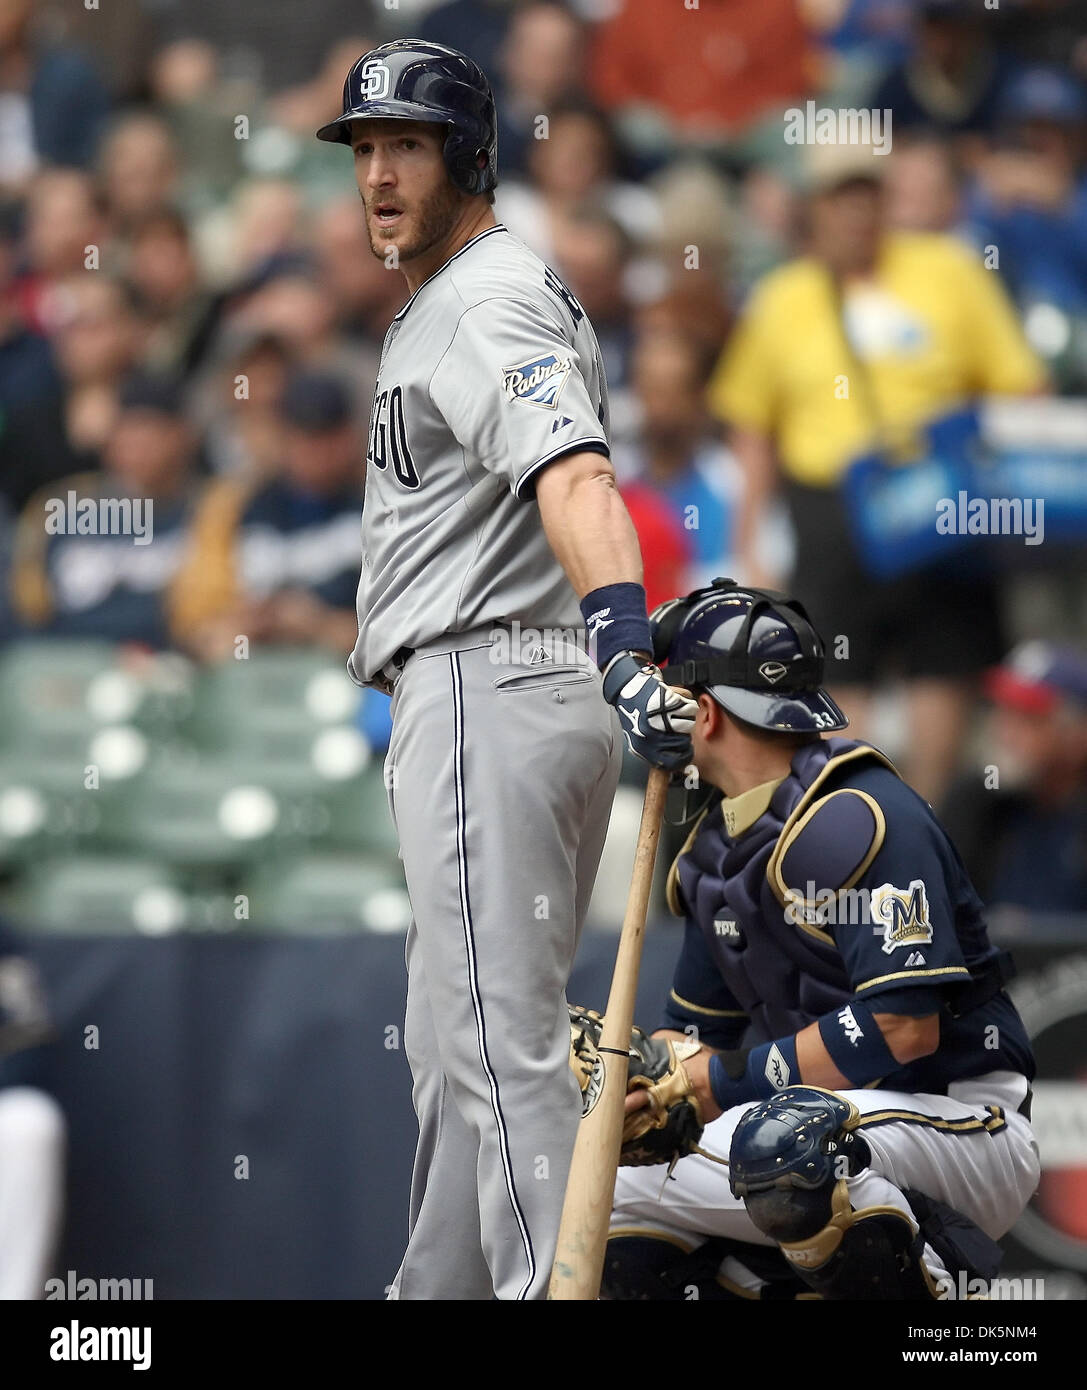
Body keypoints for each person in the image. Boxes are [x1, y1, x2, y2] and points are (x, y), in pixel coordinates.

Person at [315, 39, 697, 1300]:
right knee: (452, 1044)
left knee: (498, 1046)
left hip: (498, 681)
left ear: (468, 155)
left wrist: (623, 635)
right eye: (364, 149)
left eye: (405, 146)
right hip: (503, 688)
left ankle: (553, 1292)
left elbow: (579, 475)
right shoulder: (458, 292)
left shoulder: (486, 296)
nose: (377, 174)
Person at [588, 578, 1038, 1300]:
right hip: (834, 1132)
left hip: (961, 1123)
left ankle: (935, 1291)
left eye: (669, 692)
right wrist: (644, 1087)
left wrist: (707, 1084)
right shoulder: (713, 853)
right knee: (605, 1181)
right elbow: (694, 1042)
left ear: (701, 712)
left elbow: (903, 1029)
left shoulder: (858, 813)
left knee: (786, 1145)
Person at [710, 141, 1047, 806]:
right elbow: (751, 428)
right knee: (837, 692)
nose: (856, 212)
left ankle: (924, 840)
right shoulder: (782, 297)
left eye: (867, 194)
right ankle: (854, 839)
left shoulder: (946, 270)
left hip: (935, 505)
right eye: (840, 197)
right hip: (831, 505)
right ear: (813, 209)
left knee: (943, 683)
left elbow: (1020, 388)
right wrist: (748, 542)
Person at [169, 368, 364, 660]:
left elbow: (402, 630)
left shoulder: (375, 507)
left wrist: (317, 624)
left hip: (346, 676)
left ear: (349, 436)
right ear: (284, 438)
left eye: (326, 436)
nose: (316, 452)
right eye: (303, 436)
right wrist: (245, 625)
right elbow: (196, 626)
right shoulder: (247, 507)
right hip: (260, 669)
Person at [942, 642, 1087, 912]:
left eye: (1027, 719)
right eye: (1002, 712)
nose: (1005, 734)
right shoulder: (974, 805)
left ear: (1077, 737)